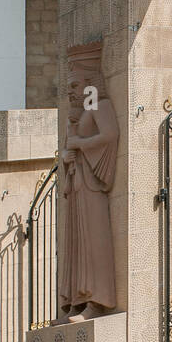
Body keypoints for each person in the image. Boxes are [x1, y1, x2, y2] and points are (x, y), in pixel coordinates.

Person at [57, 43, 119, 321]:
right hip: (77, 183)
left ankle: (98, 298)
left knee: (94, 241)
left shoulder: (99, 104)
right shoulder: (79, 112)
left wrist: (80, 144)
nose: (70, 90)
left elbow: (110, 135)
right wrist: (68, 155)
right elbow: (73, 147)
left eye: (75, 84)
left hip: (92, 184)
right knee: (77, 244)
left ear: (90, 82)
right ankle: (77, 300)